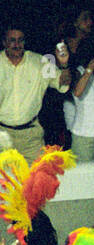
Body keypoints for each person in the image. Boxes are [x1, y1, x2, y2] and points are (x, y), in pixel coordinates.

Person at [0, 26, 71, 162]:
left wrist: (64, 64)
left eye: (20, 40)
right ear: (4, 43)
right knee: (5, 181)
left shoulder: (41, 61)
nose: (17, 45)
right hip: (2, 134)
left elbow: (62, 84)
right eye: (12, 40)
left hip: (31, 136)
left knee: (37, 179)